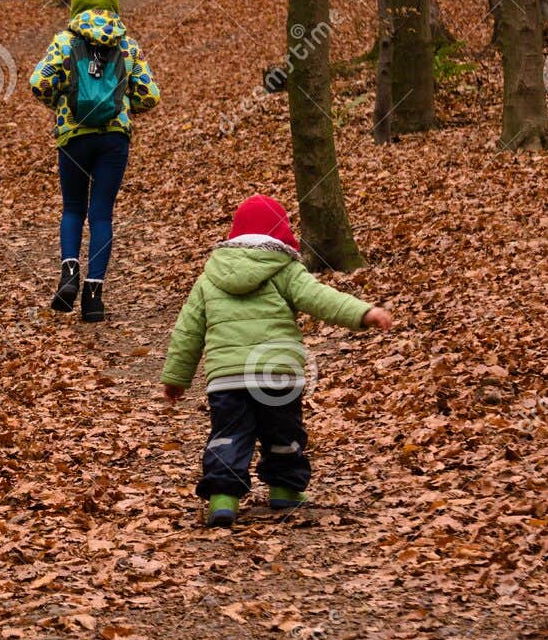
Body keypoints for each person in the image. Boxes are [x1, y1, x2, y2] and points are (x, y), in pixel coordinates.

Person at [159, 195, 394, 528]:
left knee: (229, 433)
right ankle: (284, 487)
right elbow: (320, 298)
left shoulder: (210, 275)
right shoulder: (285, 268)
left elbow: (188, 329)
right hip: (276, 373)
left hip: (227, 378)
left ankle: (223, 498)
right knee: (283, 432)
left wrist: (176, 377)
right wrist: (363, 312)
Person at [29, 0, 160, 322]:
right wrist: (122, 100)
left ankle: (68, 273)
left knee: (73, 209)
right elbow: (150, 95)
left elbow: (39, 83)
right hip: (113, 139)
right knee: (101, 214)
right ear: (113, 1)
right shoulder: (126, 45)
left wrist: (62, 102)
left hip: (72, 136)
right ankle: (93, 297)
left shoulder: (64, 41)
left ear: (79, 2)